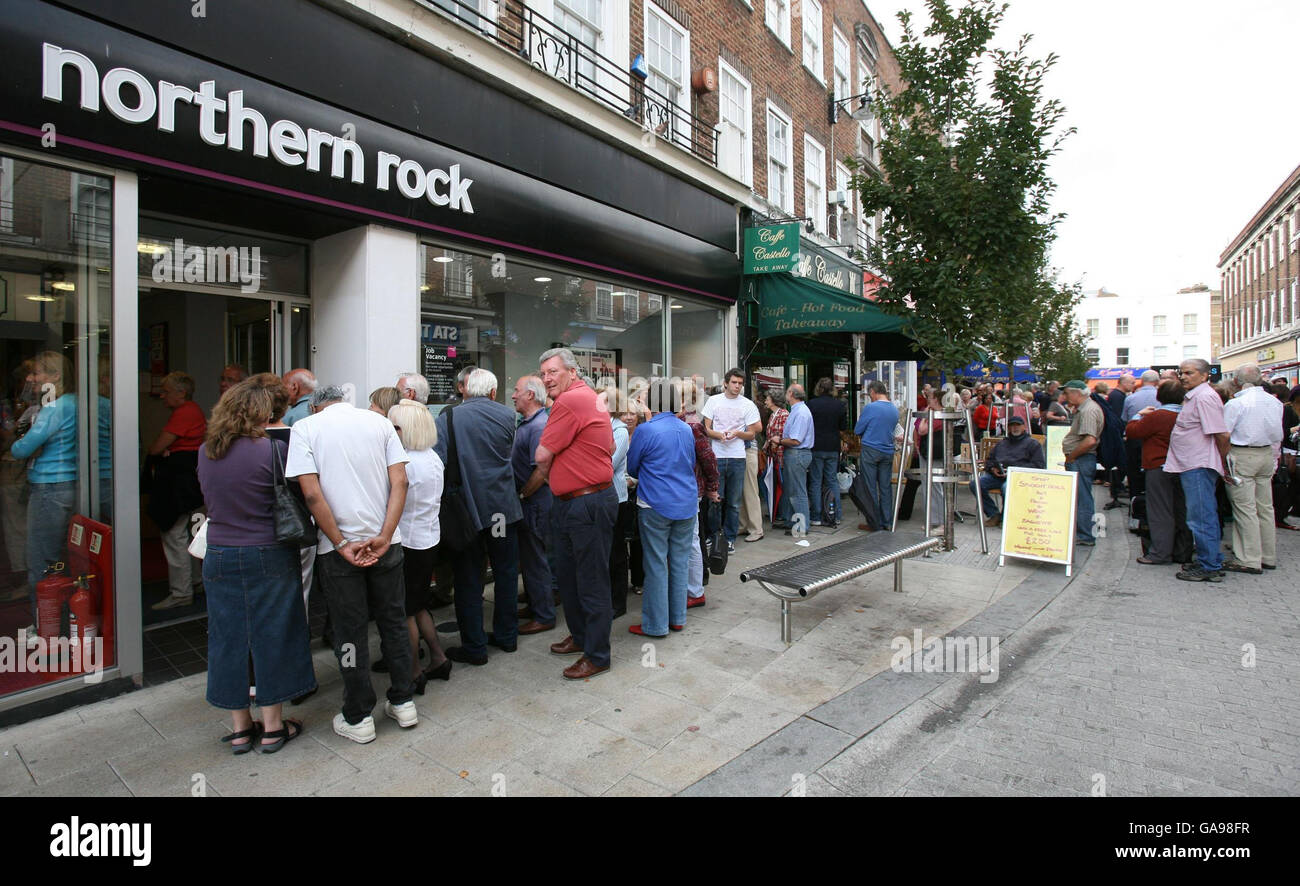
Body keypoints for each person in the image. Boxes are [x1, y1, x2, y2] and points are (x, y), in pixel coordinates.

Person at [287, 384, 416, 743]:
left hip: (338, 549)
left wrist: (342, 542)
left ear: (314, 407)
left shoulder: (305, 428)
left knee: (350, 633)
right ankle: (403, 700)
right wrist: (385, 535)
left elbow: (311, 493)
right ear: (344, 402)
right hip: (385, 543)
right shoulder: (378, 423)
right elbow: (400, 481)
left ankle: (358, 715)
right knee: (393, 621)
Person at [198, 377, 315, 753]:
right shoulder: (271, 451)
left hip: (218, 554)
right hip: (267, 551)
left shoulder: (206, 451)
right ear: (263, 412)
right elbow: (299, 496)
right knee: (273, 634)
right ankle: (272, 727)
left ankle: (239, 727)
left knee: (228, 638)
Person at [521, 347, 616, 680]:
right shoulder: (589, 398)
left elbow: (542, 454)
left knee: (590, 581)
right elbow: (611, 447)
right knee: (572, 577)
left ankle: (598, 655)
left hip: (585, 502)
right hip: (575, 501)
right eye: (543, 372)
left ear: (572, 372)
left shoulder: (570, 401)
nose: (547, 378)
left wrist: (560, 459)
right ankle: (580, 637)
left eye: (553, 372)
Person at [432, 368, 521, 665]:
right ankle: (507, 637)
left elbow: (439, 462)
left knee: (468, 579)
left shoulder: (448, 417)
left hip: (467, 512)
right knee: (506, 573)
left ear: (464, 389)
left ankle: (475, 647)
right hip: (503, 509)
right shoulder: (509, 416)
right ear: (494, 392)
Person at [7, 352, 79, 636]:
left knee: (42, 560)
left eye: (36, 374)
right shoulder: (76, 403)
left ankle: (47, 628)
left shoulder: (54, 408)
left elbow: (21, 449)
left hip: (49, 488)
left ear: (55, 377)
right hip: (70, 484)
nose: (30, 379)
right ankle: (62, 620)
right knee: (62, 557)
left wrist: (19, 442)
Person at [387, 398, 451, 691]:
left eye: (394, 425)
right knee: (419, 606)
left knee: (406, 613)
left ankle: (413, 673)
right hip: (428, 539)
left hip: (410, 543)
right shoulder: (432, 458)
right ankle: (438, 658)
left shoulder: (407, 463)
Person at [626, 380, 698, 638]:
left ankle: (655, 625)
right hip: (687, 502)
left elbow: (632, 468)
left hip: (655, 503)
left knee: (656, 564)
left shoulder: (646, 430)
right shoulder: (686, 429)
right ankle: (677, 618)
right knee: (679, 561)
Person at [1162, 359, 1231, 582]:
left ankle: (1210, 566)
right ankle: (1208, 560)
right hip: (1192, 464)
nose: (1183, 376)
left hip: (1199, 465)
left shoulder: (1204, 397)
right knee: (1200, 516)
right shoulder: (1196, 396)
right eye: (1181, 373)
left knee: (1201, 518)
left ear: (1204, 375)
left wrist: (1221, 461)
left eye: (1189, 373)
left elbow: (1222, 434)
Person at [146, 371, 207, 610]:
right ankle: (193, 582)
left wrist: (159, 451)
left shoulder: (186, 412)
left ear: (181, 393)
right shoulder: (191, 411)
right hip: (187, 480)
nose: (162, 396)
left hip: (179, 483)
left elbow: (156, 447)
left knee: (174, 534)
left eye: (167, 391)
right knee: (186, 532)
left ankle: (181, 592)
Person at [1221, 364, 1283, 574]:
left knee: (1244, 508)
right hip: (1266, 452)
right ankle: (1267, 555)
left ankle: (1249, 558)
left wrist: (1222, 459)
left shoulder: (1237, 403)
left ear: (1237, 381)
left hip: (1243, 453)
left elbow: (1225, 434)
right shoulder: (1274, 402)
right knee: (1265, 507)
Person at [511, 375, 555, 634]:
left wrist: (524, 495)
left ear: (530, 395)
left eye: (517, 391)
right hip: (531, 502)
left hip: (535, 502)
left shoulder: (539, 426)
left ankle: (544, 615)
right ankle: (536, 604)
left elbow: (541, 470)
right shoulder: (529, 423)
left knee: (536, 560)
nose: (513, 395)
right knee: (529, 558)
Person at [1126, 380, 1187, 565]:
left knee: (1160, 511)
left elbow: (1133, 431)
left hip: (1159, 465)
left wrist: (1138, 415)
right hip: (1184, 465)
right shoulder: (1186, 414)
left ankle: (1160, 552)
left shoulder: (1159, 415)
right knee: (1181, 510)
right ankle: (1182, 551)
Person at [701, 368, 761, 553]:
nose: (737, 386)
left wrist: (737, 433)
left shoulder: (747, 404)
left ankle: (729, 538)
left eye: (740, 383)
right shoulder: (714, 401)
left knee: (734, 502)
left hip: (737, 456)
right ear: (726, 383)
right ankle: (713, 536)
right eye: (734, 382)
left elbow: (753, 432)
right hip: (717, 456)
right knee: (715, 500)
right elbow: (706, 427)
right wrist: (718, 435)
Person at [970, 416, 1045, 526]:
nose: (1015, 428)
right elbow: (989, 460)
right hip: (998, 475)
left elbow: (1039, 466)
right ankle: (994, 514)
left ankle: (1006, 518)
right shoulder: (1001, 444)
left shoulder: (1032, 444)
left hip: (1019, 477)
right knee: (975, 483)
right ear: (1008, 428)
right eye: (1012, 426)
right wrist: (992, 468)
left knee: (1007, 488)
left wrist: (1014, 469)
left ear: (1024, 427)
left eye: (1017, 425)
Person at [683, 401, 719, 609]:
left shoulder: (692, 426)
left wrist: (712, 486)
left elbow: (707, 457)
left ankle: (695, 591)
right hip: (683, 491)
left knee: (691, 540)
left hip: (690, 491)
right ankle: (689, 589)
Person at [1061, 380, 1103, 548]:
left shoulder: (1088, 410)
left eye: (1067, 393)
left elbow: (1090, 440)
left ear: (1077, 393)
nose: (1065, 396)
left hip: (1081, 459)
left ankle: (1085, 534)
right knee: (1081, 496)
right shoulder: (1085, 408)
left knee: (1082, 497)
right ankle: (1083, 532)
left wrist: (1072, 457)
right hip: (1080, 458)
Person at [855, 380, 897, 531]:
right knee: (886, 487)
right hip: (888, 450)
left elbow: (858, 429)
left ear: (873, 391)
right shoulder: (894, 408)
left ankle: (874, 522)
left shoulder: (871, 407)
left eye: (869, 394)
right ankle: (887, 521)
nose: (870, 397)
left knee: (870, 487)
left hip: (871, 449)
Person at [605, 388, 633, 620]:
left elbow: (608, 465)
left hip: (616, 497)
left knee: (616, 552)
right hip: (601, 498)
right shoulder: (601, 427)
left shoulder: (620, 431)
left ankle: (618, 601)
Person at [807, 377, 847, 527]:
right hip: (833, 446)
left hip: (816, 446)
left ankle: (816, 516)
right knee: (832, 481)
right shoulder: (840, 405)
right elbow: (842, 427)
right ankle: (835, 515)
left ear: (819, 388)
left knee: (816, 482)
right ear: (832, 389)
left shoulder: (812, 404)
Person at [779, 383, 814, 534]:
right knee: (791, 490)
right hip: (795, 453)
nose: (785, 394)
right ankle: (791, 521)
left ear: (792, 394)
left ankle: (801, 526)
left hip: (797, 453)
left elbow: (795, 440)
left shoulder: (800, 412)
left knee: (797, 492)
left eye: (787, 391)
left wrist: (778, 440)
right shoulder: (797, 410)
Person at [762, 389, 791, 530]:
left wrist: (775, 441)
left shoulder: (783, 414)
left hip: (780, 456)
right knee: (776, 484)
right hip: (773, 456)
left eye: (767, 398)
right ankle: (778, 512)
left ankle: (785, 516)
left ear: (773, 400)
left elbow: (783, 434)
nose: (765, 401)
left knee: (783, 485)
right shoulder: (773, 415)